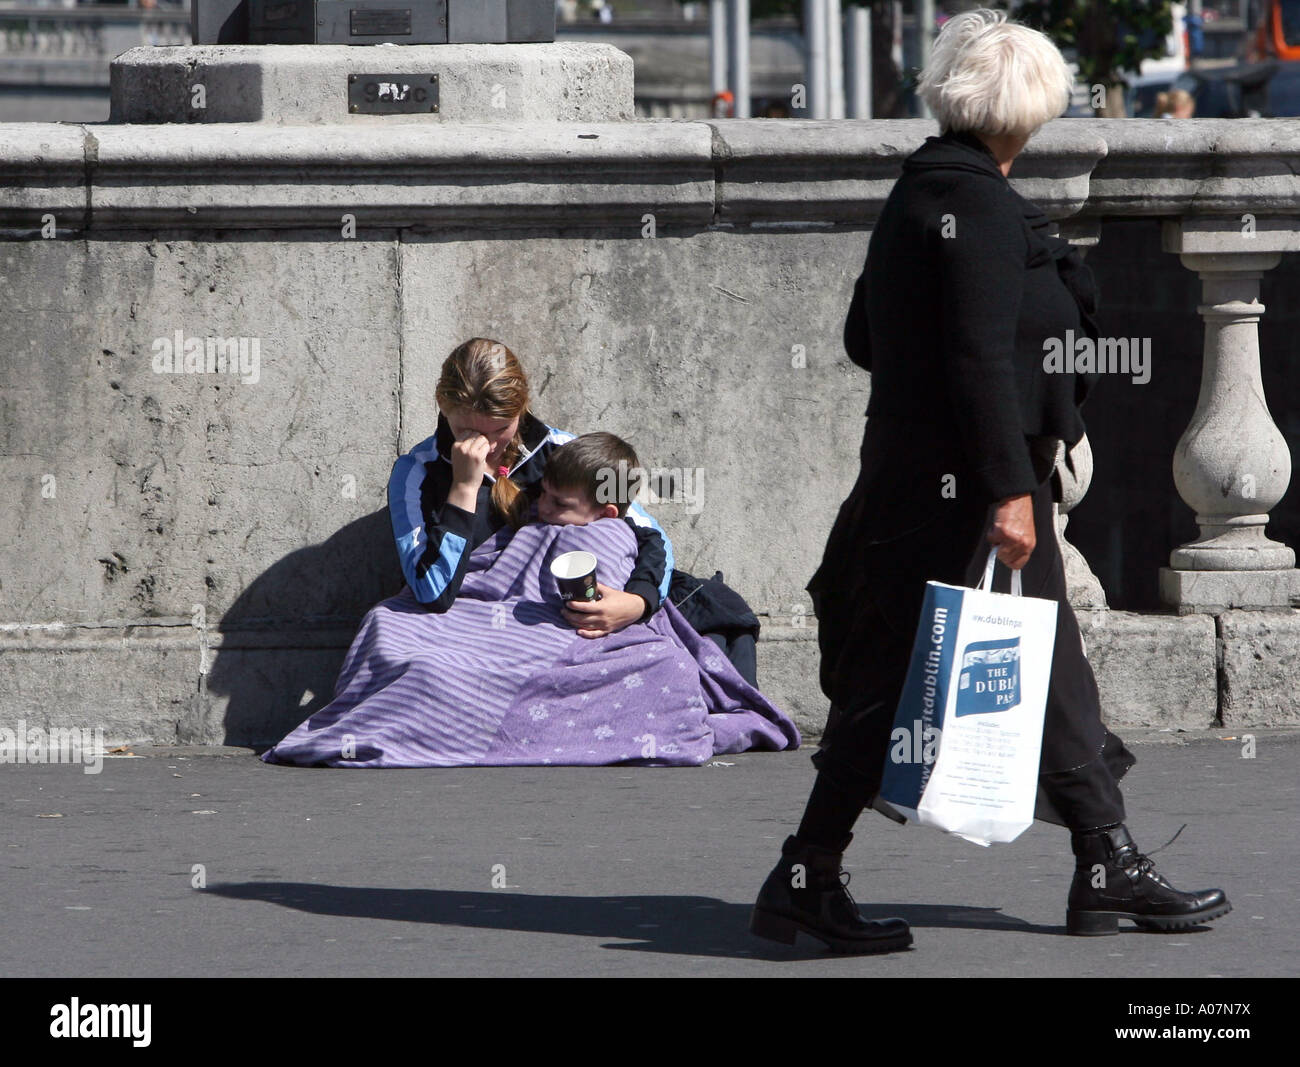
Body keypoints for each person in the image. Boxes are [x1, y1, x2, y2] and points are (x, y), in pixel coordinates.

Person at [749, 8, 1230, 955]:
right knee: (896, 684)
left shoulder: (926, 189)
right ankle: (805, 873)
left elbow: (864, 341)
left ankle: (1104, 858)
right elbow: (975, 358)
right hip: (966, 489)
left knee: (1044, 670)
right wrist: (1011, 488)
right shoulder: (976, 209)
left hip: (932, 479)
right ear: (1029, 107)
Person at [388, 337, 673, 639]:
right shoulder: (416, 474)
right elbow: (432, 590)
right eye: (468, 431)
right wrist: (463, 488)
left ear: (522, 408)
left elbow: (649, 534)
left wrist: (639, 601)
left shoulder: (561, 452)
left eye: (502, 429)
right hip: (464, 628)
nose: (488, 446)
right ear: (444, 407)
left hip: (550, 620)